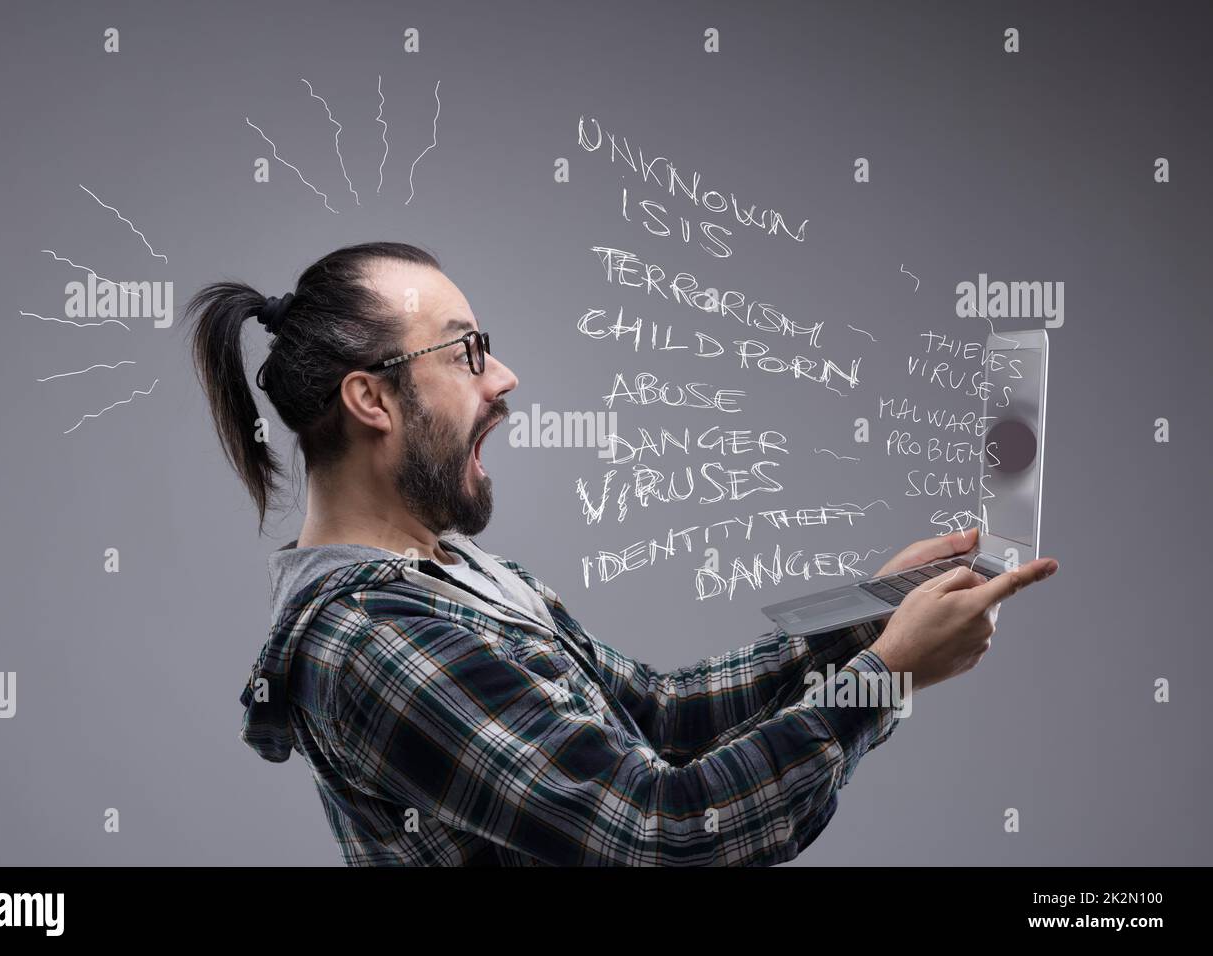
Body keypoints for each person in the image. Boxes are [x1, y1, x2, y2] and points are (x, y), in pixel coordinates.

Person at [186, 241, 1059, 866]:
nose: (504, 377)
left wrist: (873, 613)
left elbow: (664, 718)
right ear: (371, 399)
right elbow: (665, 832)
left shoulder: (461, 579)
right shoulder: (375, 640)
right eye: (467, 350)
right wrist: (886, 678)